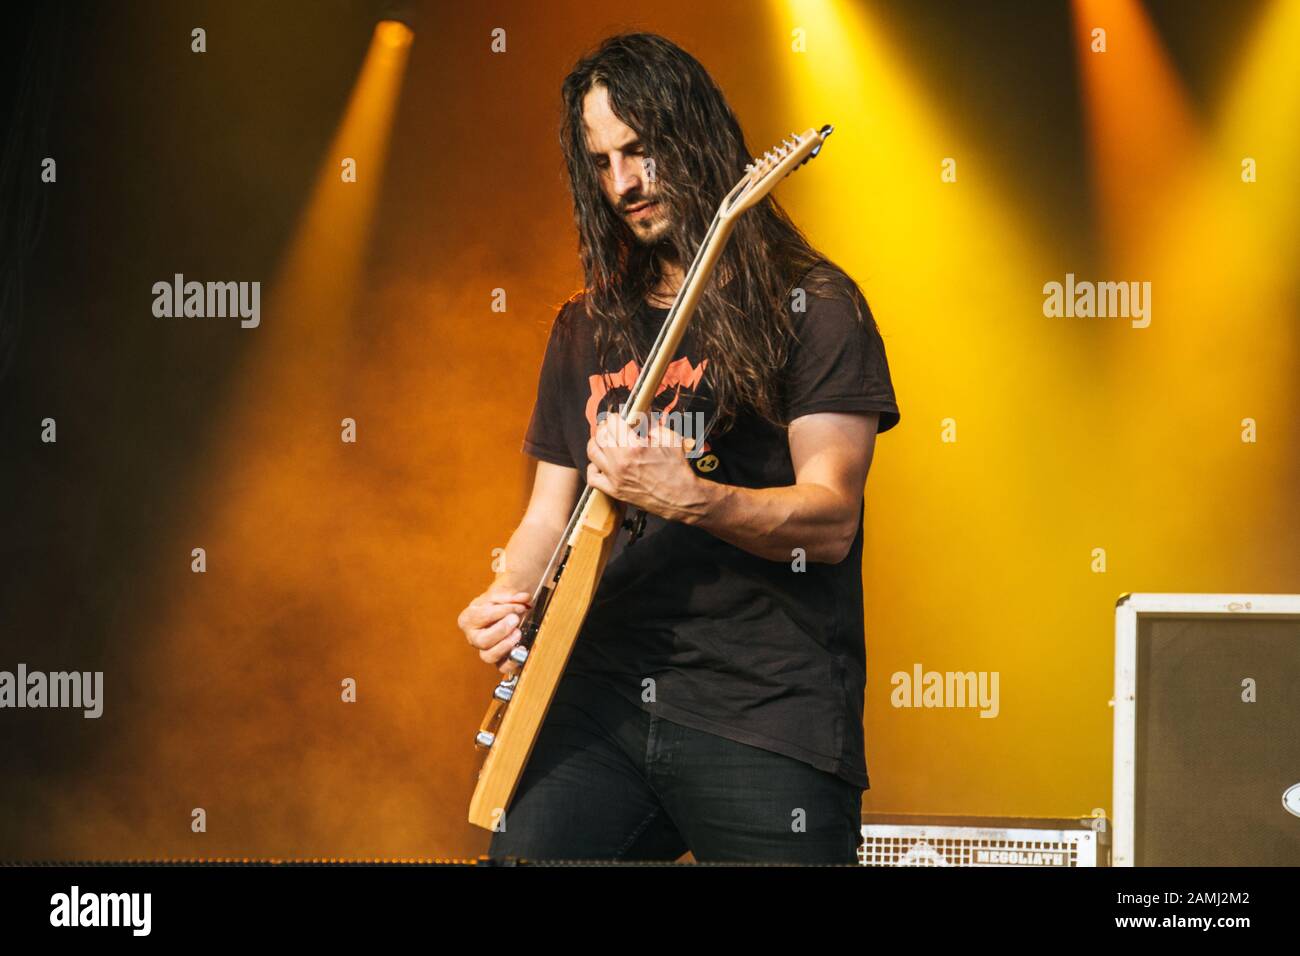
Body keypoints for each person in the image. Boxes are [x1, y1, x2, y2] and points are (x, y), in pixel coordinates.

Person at [456, 32, 900, 863]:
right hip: (602, 694)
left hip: (763, 705)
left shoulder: (815, 304)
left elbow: (832, 518)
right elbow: (547, 517)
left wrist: (689, 494)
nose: (623, 183)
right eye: (602, 160)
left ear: (695, 133)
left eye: (641, 150)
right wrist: (507, 595)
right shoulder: (586, 323)